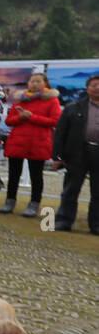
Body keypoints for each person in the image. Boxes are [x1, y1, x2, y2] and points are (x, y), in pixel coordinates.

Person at [0, 72, 61, 218]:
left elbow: (55, 121)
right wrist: (20, 117)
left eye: (38, 81)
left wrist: (32, 117)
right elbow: (9, 121)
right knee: (13, 174)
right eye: (32, 81)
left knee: (36, 175)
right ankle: (10, 201)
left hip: (39, 142)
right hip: (18, 142)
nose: (34, 84)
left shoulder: (52, 101)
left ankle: (34, 203)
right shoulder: (21, 100)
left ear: (45, 83)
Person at [52, 73, 99, 235]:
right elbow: (60, 134)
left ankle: (96, 224)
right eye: (94, 85)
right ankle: (64, 220)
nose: (97, 88)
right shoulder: (73, 107)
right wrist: (57, 157)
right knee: (70, 189)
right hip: (77, 153)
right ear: (87, 88)